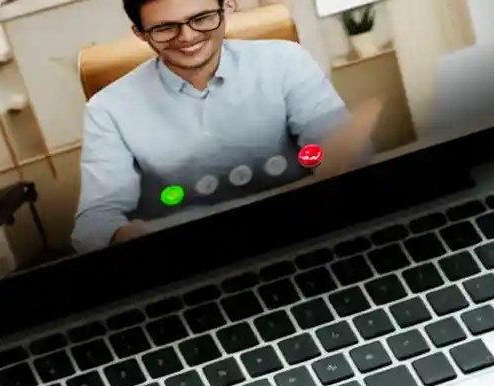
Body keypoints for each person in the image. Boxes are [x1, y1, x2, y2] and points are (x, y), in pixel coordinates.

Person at [70, 0, 382, 254]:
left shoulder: (285, 61)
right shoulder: (107, 109)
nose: (188, 37)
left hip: (305, 237)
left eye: (202, 18)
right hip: (188, 260)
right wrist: (124, 235)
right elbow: (94, 222)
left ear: (226, 7)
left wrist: (339, 153)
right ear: (140, 33)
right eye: (165, 28)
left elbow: (339, 155)